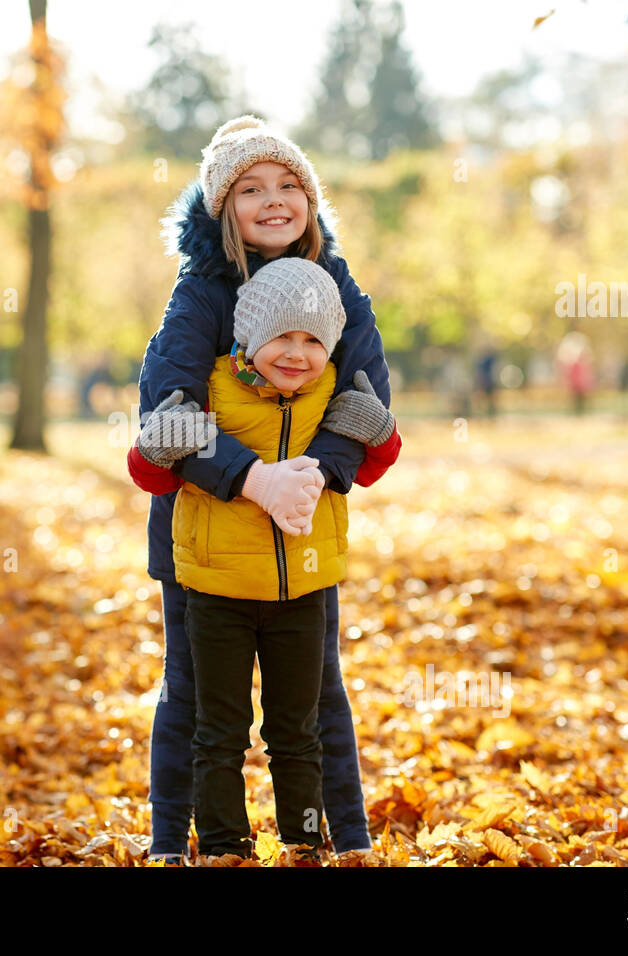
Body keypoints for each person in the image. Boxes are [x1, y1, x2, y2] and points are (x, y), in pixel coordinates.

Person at [129, 115, 401, 863]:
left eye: (290, 185)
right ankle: (176, 843)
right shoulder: (198, 298)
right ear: (222, 210)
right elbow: (168, 411)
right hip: (205, 534)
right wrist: (253, 478)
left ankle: (342, 838)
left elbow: (363, 396)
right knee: (193, 694)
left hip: (301, 529)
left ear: (312, 201)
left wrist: (307, 480)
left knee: (316, 694)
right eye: (251, 188)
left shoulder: (340, 288)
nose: (274, 200)